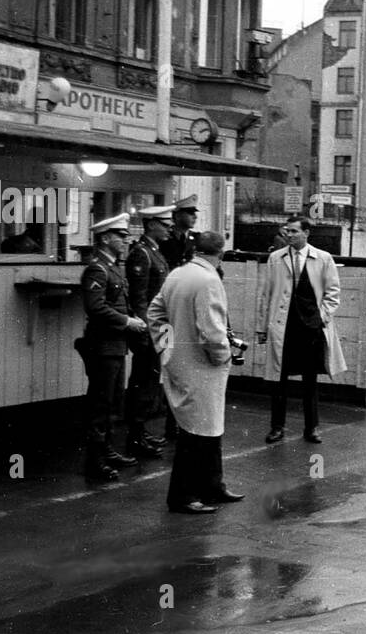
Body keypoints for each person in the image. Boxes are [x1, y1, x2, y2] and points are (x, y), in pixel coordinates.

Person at [148, 231, 244, 514]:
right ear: (220, 254)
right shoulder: (209, 280)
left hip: (180, 363)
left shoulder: (177, 274)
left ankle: (212, 485)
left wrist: (167, 348)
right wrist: (223, 356)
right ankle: (184, 495)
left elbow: (154, 314)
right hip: (204, 366)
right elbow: (211, 331)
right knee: (197, 432)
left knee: (207, 427)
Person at [256, 217, 347, 444]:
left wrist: (321, 318)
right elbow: (266, 294)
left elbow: (333, 293)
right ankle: (277, 427)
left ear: (306, 233)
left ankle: (311, 428)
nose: (289, 235)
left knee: (310, 379)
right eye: (287, 231)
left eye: (295, 231)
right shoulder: (276, 258)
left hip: (310, 328)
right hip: (283, 327)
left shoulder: (323, 258)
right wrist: (262, 328)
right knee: (279, 379)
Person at [79, 213, 148, 481]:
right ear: (106, 238)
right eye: (120, 235)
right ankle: (95, 461)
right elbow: (95, 307)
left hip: (115, 345)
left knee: (112, 402)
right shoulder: (97, 269)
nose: (125, 240)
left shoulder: (113, 268)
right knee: (101, 403)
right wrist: (127, 322)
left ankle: (106, 450)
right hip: (103, 346)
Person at [124, 206, 174, 457]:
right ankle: (135, 436)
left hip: (160, 328)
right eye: (165, 225)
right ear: (152, 225)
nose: (169, 229)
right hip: (150, 330)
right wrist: (147, 331)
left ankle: (140, 431)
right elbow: (139, 298)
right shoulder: (142, 254)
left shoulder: (154, 252)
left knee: (151, 381)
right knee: (143, 382)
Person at [158, 195, 199, 270]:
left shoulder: (198, 238)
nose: (195, 217)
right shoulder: (162, 238)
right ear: (178, 216)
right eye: (190, 213)